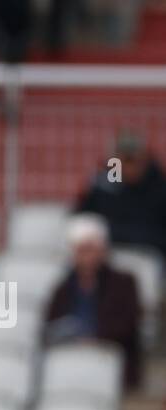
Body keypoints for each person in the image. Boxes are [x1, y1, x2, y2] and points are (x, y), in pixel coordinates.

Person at [43, 214, 143, 392]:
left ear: (102, 250)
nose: (86, 256)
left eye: (90, 249)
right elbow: (51, 326)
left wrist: (94, 339)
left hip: (110, 356)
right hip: (71, 356)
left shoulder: (124, 283)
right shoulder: (63, 288)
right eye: (81, 250)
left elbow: (128, 325)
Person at [75, 131, 166, 260]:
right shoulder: (104, 185)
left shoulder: (159, 186)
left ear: (144, 159)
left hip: (150, 255)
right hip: (107, 257)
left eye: (132, 160)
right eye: (122, 160)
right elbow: (82, 219)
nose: (128, 167)